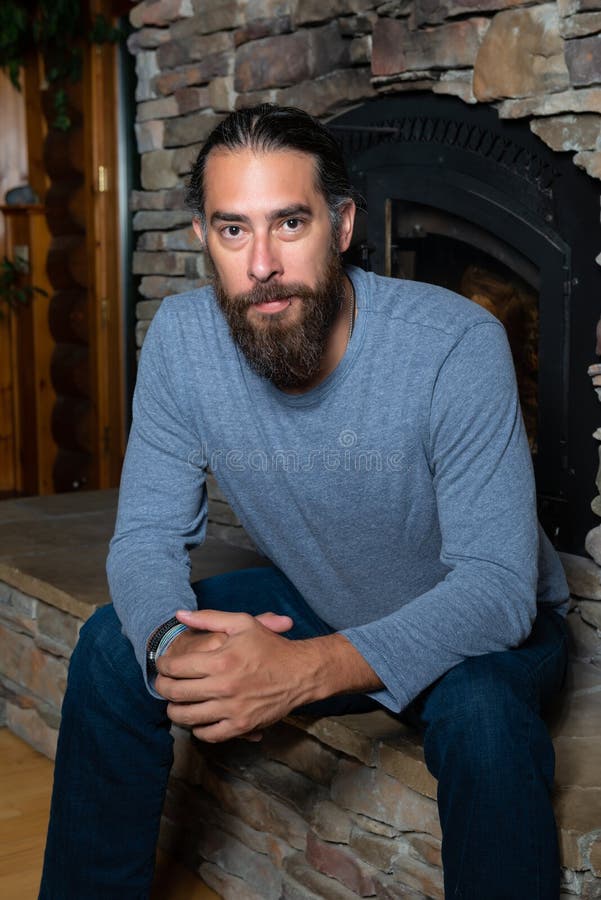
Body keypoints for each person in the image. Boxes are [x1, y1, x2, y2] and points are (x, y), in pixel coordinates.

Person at [40, 104, 569, 900]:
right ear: (202, 237)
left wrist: (302, 672)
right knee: (113, 647)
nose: (261, 264)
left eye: (289, 223)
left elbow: (496, 591)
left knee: (484, 718)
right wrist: (174, 652)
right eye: (233, 230)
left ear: (342, 225)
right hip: (324, 596)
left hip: (474, 624)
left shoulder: (454, 343)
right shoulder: (183, 340)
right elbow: (146, 537)